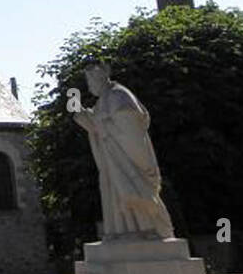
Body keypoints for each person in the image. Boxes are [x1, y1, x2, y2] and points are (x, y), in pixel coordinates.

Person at [73, 62, 175, 239]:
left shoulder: (119, 96)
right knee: (116, 194)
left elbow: (130, 131)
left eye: (91, 83)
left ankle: (147, 230)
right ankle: (120, 232)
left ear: (101, 79)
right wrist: (84, 117)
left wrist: (100, 126)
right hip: (112, 160)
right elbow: (99, 126)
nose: (90, 87)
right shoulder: (103, 101)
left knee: (135, 190)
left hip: (127, 160)